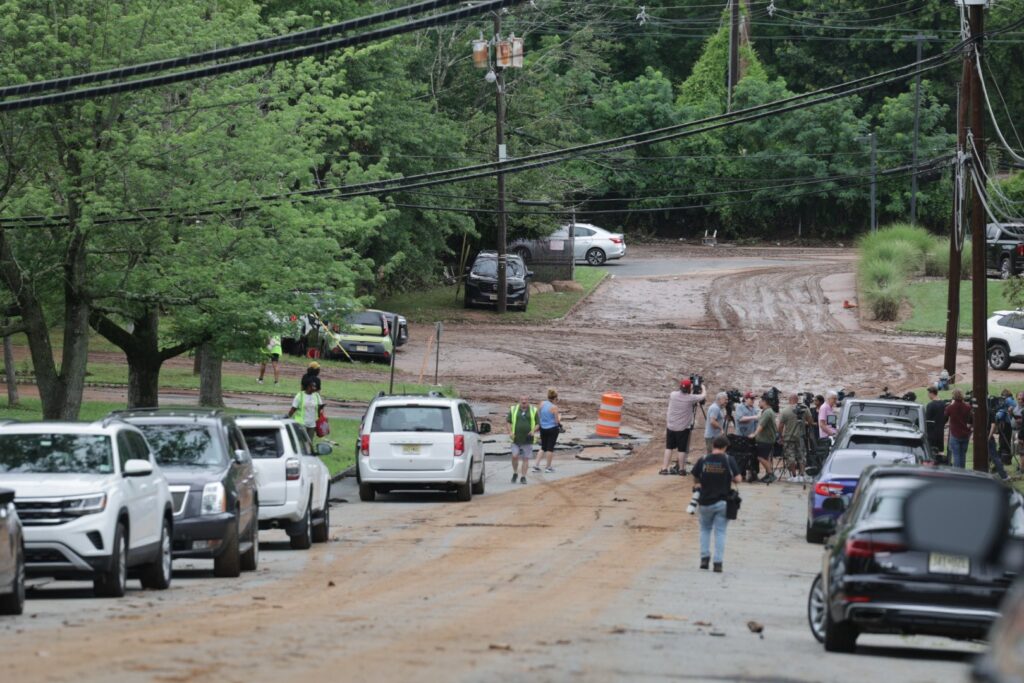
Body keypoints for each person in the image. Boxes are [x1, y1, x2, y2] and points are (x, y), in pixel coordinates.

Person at [691, 434, 742, 573]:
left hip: (705, 502)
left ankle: (704, 558)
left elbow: (695, 476)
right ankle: (718, 562)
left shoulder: (703, 459)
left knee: (705, 530)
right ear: (725, 447)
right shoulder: (728, 459)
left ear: (713, 445)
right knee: (720, 532)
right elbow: (738, 479)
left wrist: (699, 484)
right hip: (722, 502)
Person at [661, 378, 707, 475]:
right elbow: (703, 396)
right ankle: (681, 469)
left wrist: (689, 387)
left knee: (668, 447)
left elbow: (682, 392)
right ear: (689, 389)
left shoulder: (673, 395)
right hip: (682, 428)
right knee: (681, 449)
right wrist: (703, 387)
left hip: (671, 426)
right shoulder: (691, 398)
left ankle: (664, 469)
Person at [507, 396, 539, 485]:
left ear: (528, 401)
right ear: (519, 401)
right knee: (514, 455)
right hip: (515, 438)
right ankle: (515, 472)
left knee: (525, 458)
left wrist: (533, 431)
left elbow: (538, 423)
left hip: (528, 438)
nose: (524, 401)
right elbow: (508, 422)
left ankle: (523, 477)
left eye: (526, 400)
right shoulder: (513, 409)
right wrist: (510, 432)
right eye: (522, 400)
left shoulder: (533, 410)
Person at [779, 393, 809, 481]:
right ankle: (802, 474)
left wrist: (780, 436)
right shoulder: (804, 409)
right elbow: (810, 421)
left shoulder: (785, 410)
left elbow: (780, 426)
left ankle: (794, 476)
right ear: (797, 400)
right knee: (802, 455)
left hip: (788, 437)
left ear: (789, 400)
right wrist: (804, 422)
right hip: (800, 436)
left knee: (790, 456)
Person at [533, 388, 563, 474]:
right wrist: (560, 417)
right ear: (555, 398)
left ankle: (536, 465)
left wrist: (541, 421)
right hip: (552, 429)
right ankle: (548, 467)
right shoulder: (554, 407)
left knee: (543, 447)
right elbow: (556, 421)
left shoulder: (542, 403)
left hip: (543, 428)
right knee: (550, 448)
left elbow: (538, 413)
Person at [987, 390, 1013, 481]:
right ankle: (1002, 475)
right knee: (994, 455)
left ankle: (993, 472)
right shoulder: (990, 410)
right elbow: (994, 423)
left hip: (1003, 428)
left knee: (993, 454)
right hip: (990, 434)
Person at [753, 394, 778, 483]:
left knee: (760, 457)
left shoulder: (767, 412)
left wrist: (754, 434)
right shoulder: (768, 411)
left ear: (764, 402)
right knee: (765, 457)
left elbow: (761, 425)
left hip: (765, 439)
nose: (759, 403)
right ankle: (768, 474)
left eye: (760, 401)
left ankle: (771, 474)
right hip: (767, 439)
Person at [945, 388, 972, 468]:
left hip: (955, 434)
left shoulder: (950, 407)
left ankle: (957, 473)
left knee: (956, 455)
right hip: (965, 434)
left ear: (953, 396)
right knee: (963, 455)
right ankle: (962, 472)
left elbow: (945, 417)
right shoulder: (968, 407)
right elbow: (971, 419)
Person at [923, 386, 947, 462]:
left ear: (932, 393)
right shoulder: (943, 404)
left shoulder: (930, 405)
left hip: (931, 432)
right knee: (940, 451)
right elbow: (946, 417)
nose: (928, 395)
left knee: (931, 452)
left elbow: (927, 419)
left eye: (928, 393)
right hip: (940, 431)